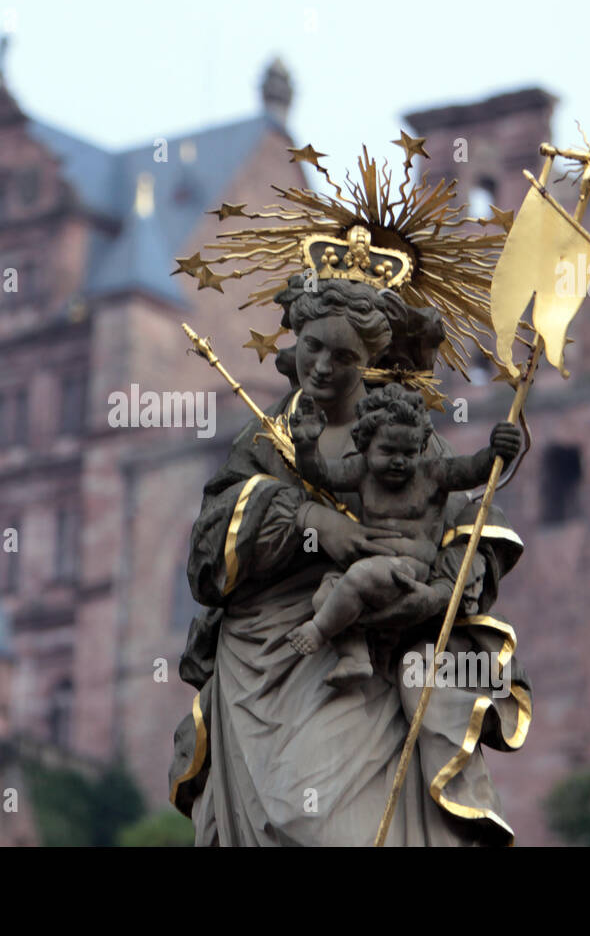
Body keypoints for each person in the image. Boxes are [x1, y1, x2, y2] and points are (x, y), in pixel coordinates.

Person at [167, 274, 532, 846]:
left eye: (343, 356)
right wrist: (311, 523)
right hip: (264, 652)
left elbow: (471, 517)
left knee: (322, 824)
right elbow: (208, 553)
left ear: (370, 360)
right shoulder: (269, 436)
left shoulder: (396, 435)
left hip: (366, 655)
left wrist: (442, 591)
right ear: (295, 341)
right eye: (312, 347)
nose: (322, 367)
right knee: (280, 822)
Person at [287, 383, 522, 686]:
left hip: (406, 571)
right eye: (387, 451)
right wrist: (306, 446)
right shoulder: (361, 472)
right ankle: (355, 655)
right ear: (365, 444)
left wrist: (497, 451)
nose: (399, 460)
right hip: (370, 566)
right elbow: (319, 474)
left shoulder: (432, 474)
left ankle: (317, 631)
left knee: (357, 578)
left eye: (408, 452)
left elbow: (474, 470)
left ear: (422, 448)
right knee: (326, 593)